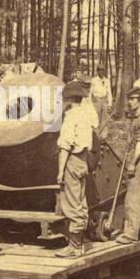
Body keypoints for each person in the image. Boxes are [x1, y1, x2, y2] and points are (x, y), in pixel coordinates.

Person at [55, 79, 94, 257]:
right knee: (81, 201)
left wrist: (60, 171)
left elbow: (65, 146)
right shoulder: (85, 115)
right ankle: (82, 242)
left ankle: (74, 247)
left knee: (71, 202)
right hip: (83, 160)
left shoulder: (71, 117)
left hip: (72, 160)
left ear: (70, 99)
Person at [114, 87, 140, 244]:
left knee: (133, 197)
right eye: (129, 99)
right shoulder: (139, 118)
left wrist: (132, 163)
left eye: (133, 99)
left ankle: (130, 234)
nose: (130, 102)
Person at [89, 63, 112, 130]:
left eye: (102, 70)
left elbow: (109, 93)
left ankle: (103, 136)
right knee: (95, 118)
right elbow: (90, 93)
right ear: (97, 71)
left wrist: (110, 104)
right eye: (99, 70)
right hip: (96, 101)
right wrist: (90, 103)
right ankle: (95, 134)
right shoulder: (93, 80)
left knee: (104, 118)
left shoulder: (107, 80)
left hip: (104, 101)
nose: (101, 72)